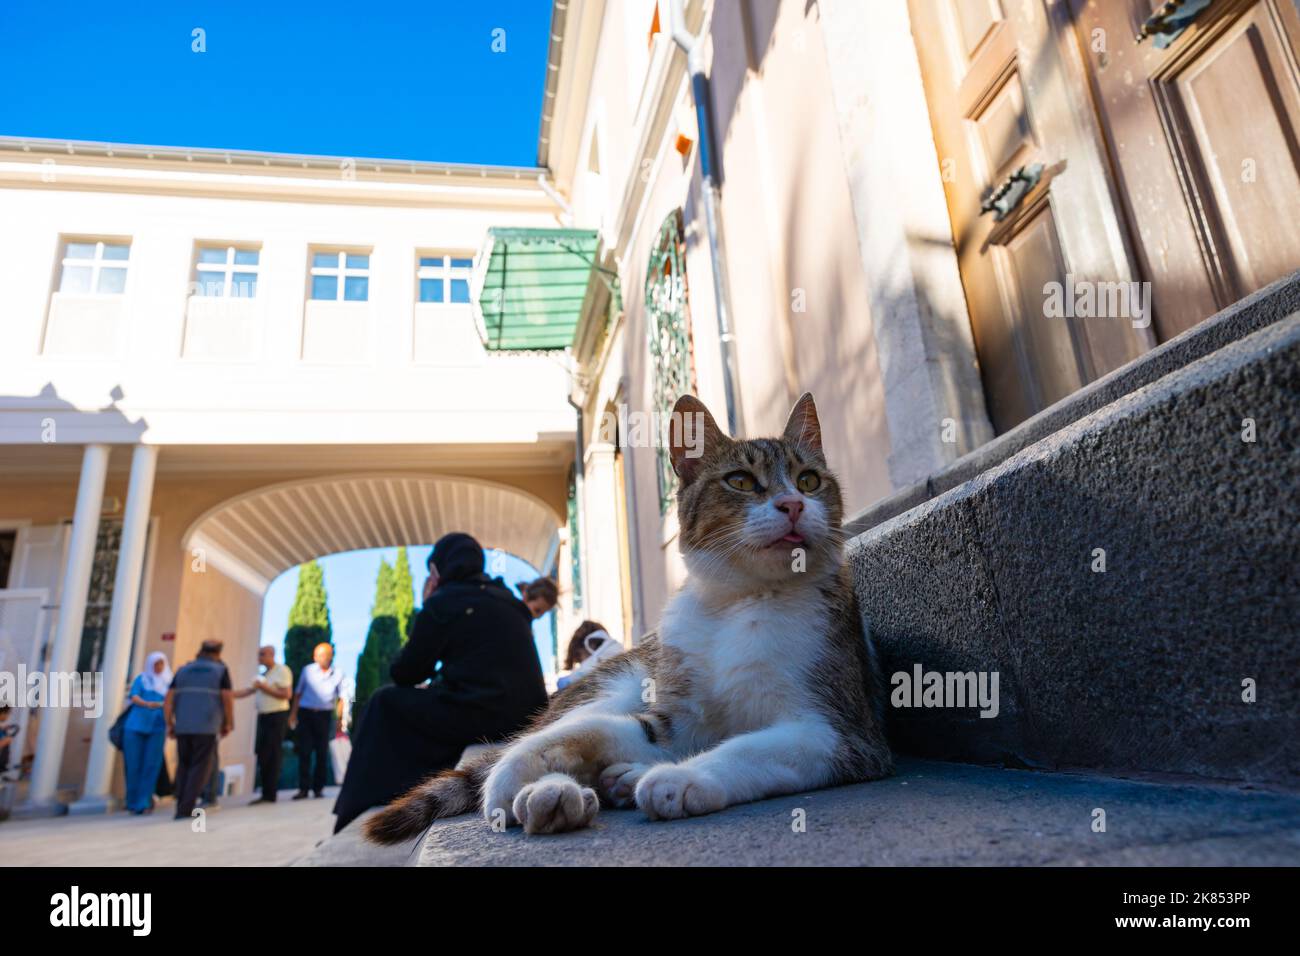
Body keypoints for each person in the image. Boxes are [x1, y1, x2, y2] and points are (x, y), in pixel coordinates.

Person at [331, 532, 548, 833]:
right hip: (528, 716)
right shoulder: (510, 601)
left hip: (481, 716)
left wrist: (428, 603)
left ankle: (351, 814)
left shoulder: (444, 601)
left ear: (436, 571)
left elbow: (406, 673)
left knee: (384, 702)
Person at [164, 640, 233, 819]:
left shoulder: (183, 670)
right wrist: (228, 722)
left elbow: (169, 699)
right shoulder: (220, 671)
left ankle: (180, 804)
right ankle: (185, 809)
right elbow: (227, 698)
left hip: (183, 725)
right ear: (218, 654)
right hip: (207, 725)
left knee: (183, 765)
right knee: (200, 767)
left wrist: (170, 723)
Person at [233, 645, 293, 804]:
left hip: (277, 717)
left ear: (271, 654)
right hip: (264, 718)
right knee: (263, 754)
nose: (259, 658)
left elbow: (286, 694)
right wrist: (226, 694)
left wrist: (264, 687)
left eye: (262, 654)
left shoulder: (282, 671)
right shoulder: (263, 675)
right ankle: (265, 792)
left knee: (272, 755)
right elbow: (247, 691)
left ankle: (270, 794)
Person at [289, 642, 343, 800]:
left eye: (326, 655)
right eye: (319, 655)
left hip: (325, 716)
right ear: (314, 656)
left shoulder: (338, 674)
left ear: (331, 656)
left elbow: (342, 698)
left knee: (322, 753)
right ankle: (303, 789)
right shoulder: (307, 671)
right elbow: (298, 693)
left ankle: (318, 788)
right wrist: (293, 714)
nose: (323, 658)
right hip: (306, 715)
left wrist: (340, 718)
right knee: (304, 751)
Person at [121, 652, 171, 814]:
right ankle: (132, 801)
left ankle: (144, 800)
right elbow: (134, 696)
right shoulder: (142, 679)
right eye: (156, 664)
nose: (159, 667)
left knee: (151, 764)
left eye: (161, 664)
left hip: (157, 727)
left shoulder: (168, 681)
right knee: (133, 764)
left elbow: (172, 702)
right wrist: (147, 704)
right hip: (135, 726)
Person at [555, 621, 623, 691]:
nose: (581, 665)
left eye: (579, 658)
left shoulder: (608, 658)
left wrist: (570, 680)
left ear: (591, 644)